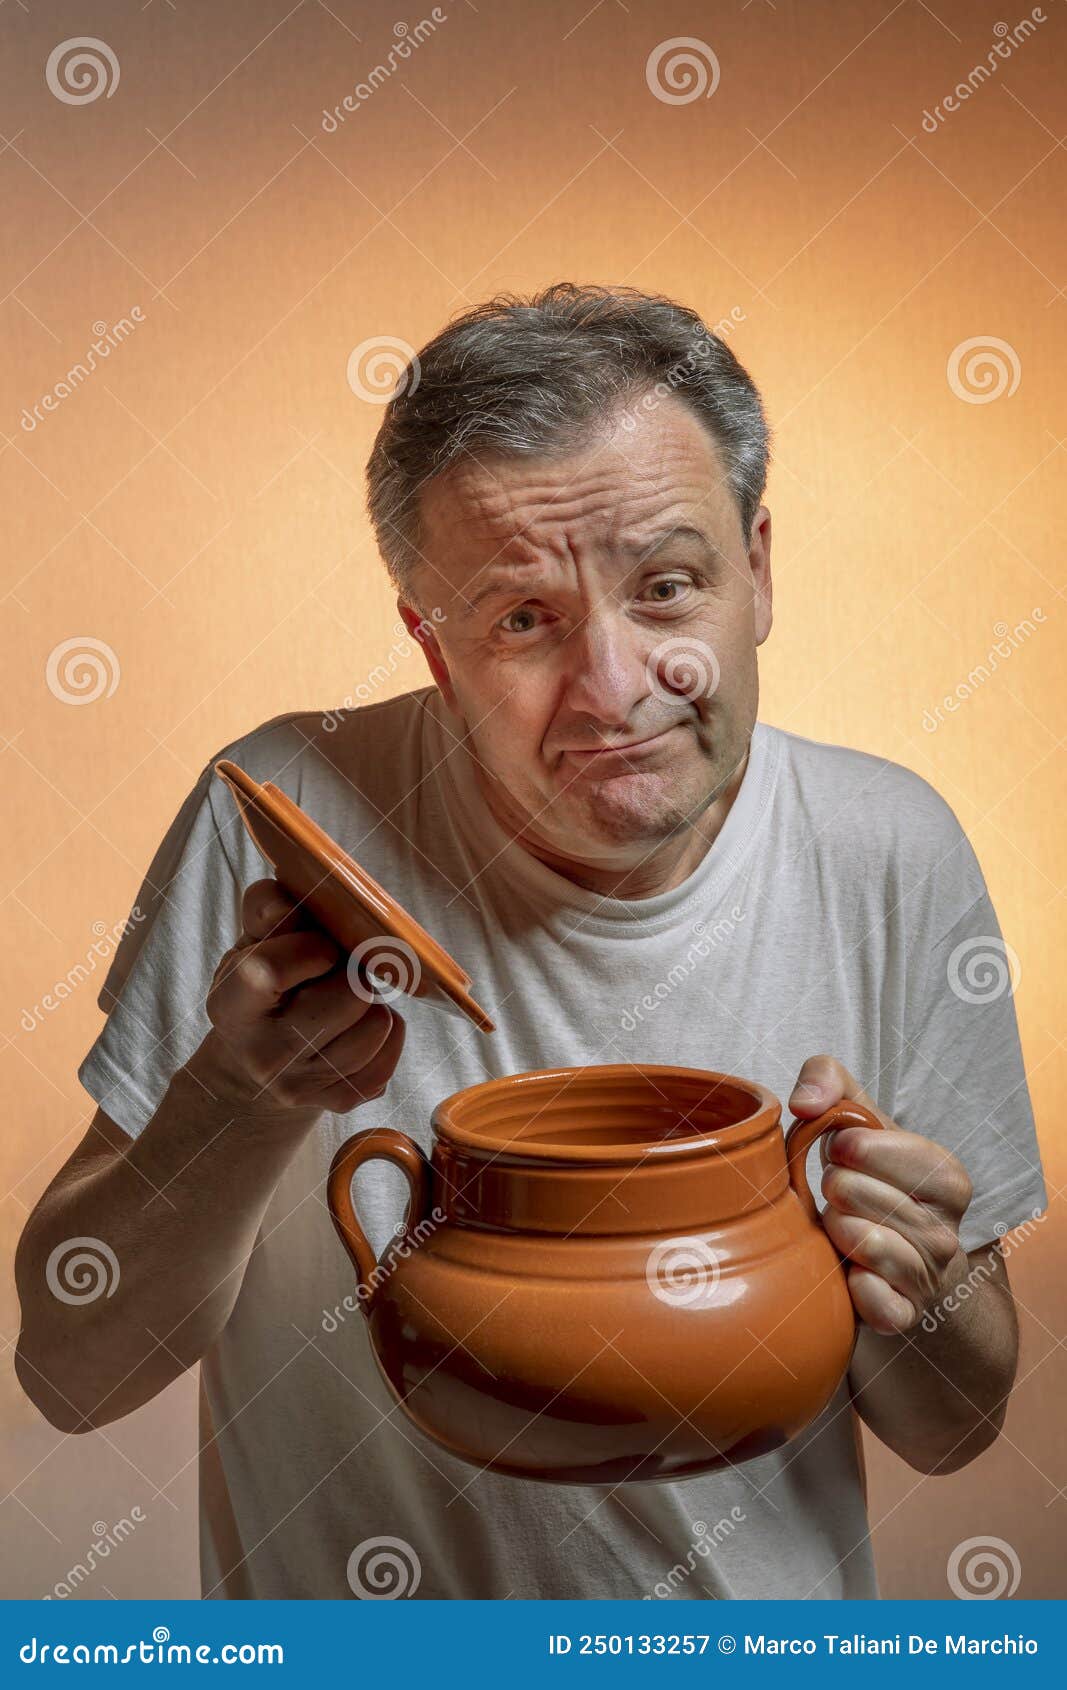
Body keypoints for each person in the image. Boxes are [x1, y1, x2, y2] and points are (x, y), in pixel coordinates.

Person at [15, 283, 1047, 1601]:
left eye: (668, 588)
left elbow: (953, 1429)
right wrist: (238, 1094)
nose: (615, 688)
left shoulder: (890, 849)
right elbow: (70, 1366)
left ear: (761, 569)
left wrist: (921, 1276)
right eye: (521, 621)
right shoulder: (281, 822)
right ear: (430, 643)